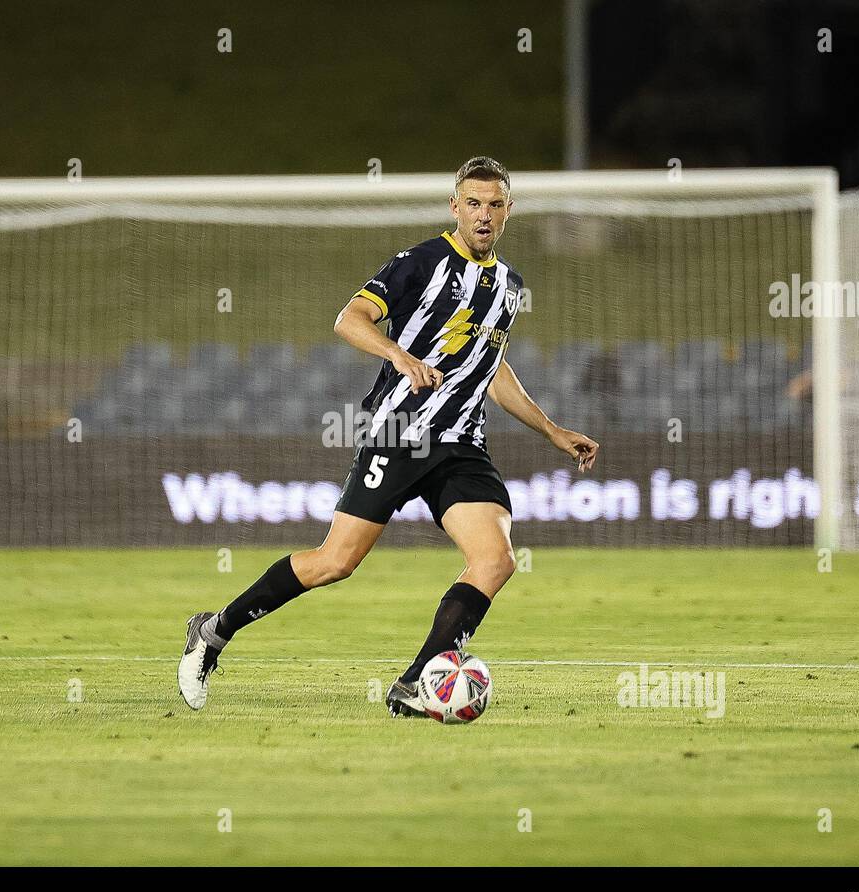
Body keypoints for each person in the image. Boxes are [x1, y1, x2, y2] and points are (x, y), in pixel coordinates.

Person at [179, 156, 599, 716]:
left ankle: (415, 681)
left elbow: (490, 367)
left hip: (461, 444)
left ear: (508, 211)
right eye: (473, 203)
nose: (483, 215)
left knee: (496, 559)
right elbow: (349, 319)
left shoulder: (508, 285)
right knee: (336, 562)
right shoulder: (420, 262)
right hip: (400, 433)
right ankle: (214, 630)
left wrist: (551, 430)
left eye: (494, 205)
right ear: (455, 207)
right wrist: (400, 357)